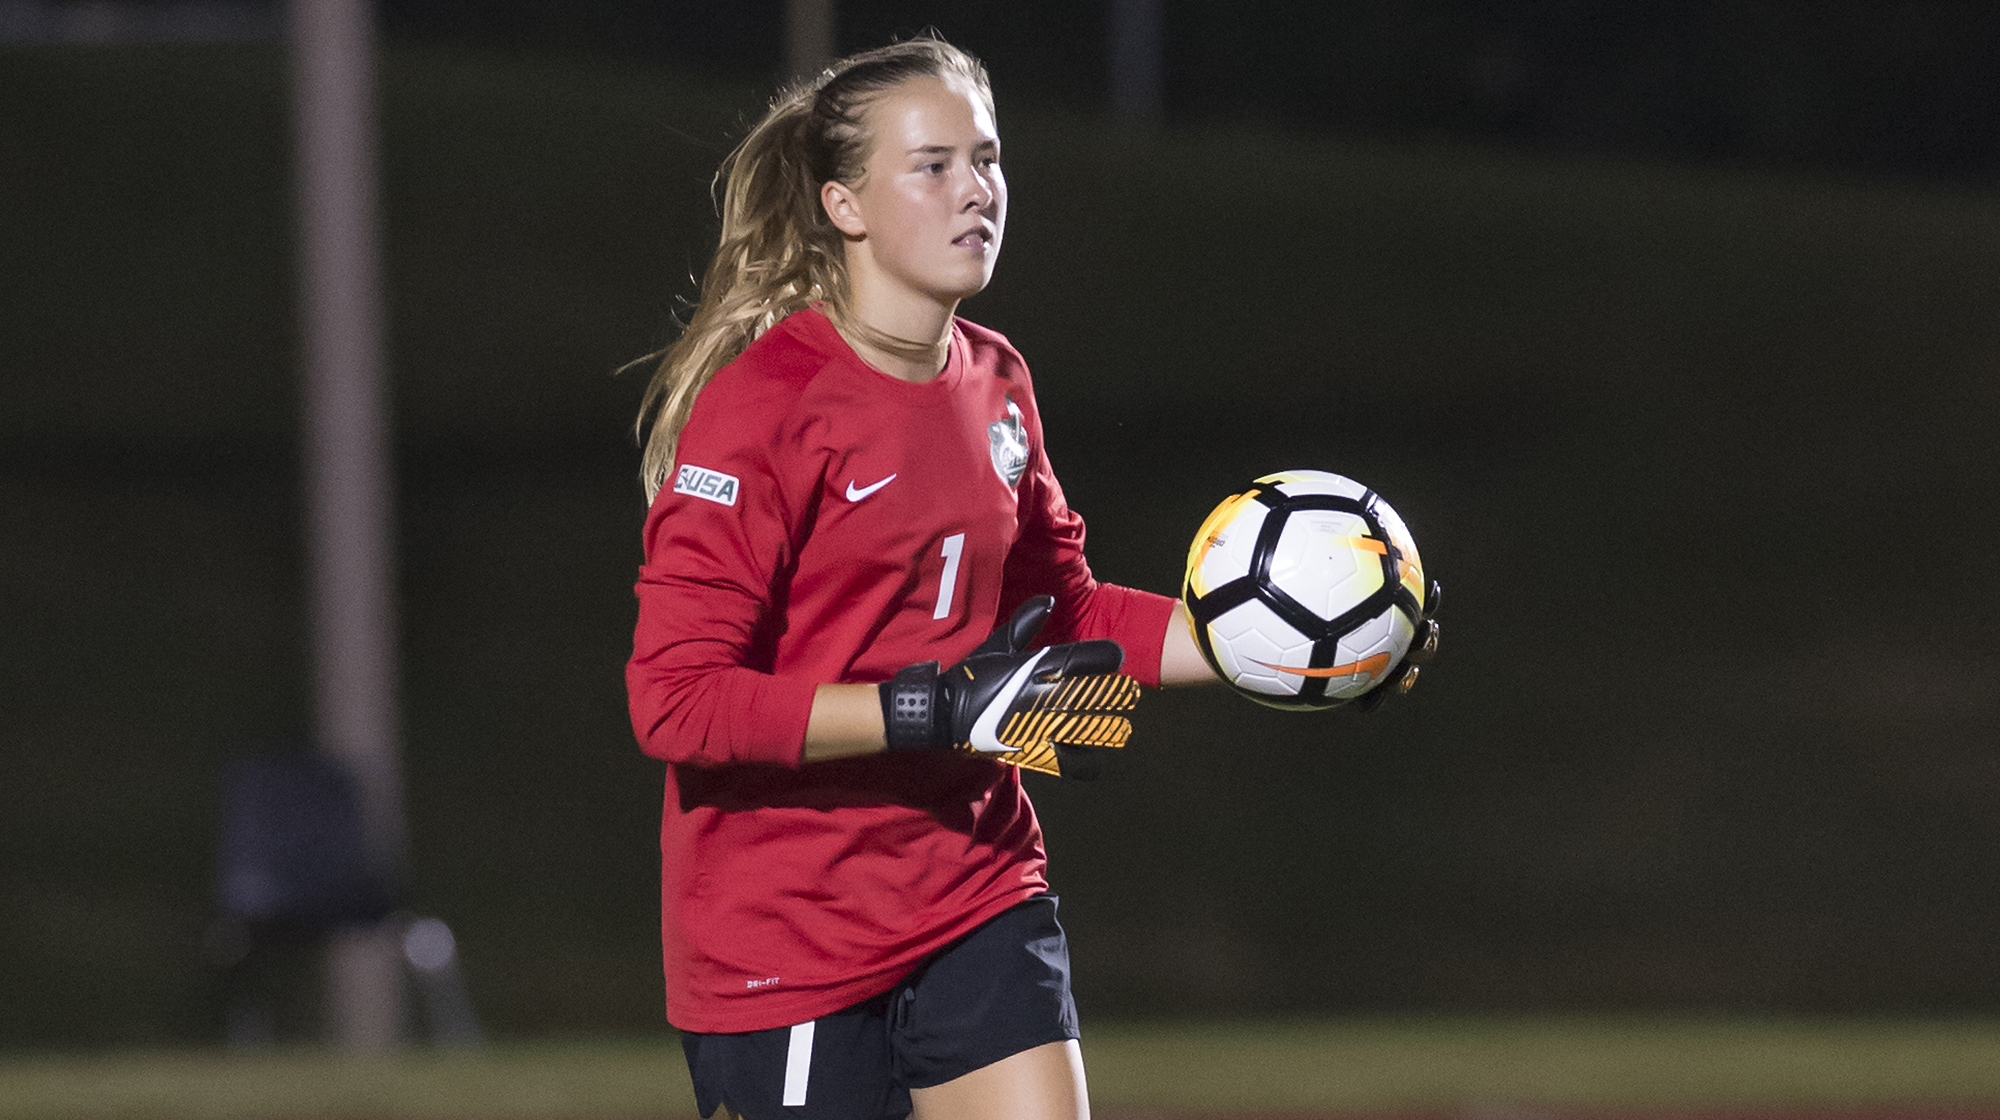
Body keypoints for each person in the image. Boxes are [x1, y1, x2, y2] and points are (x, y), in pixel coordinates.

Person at [625, 35, 1430, 1120]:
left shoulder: (997, 380)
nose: (977, 192)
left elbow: (1070, 613)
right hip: (787, 933)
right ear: (843, 205)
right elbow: (676, 700)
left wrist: (1297, 649)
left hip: (973, 887)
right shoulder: (762, 406)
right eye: (934, 165)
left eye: (988, 159)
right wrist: (932, 709)